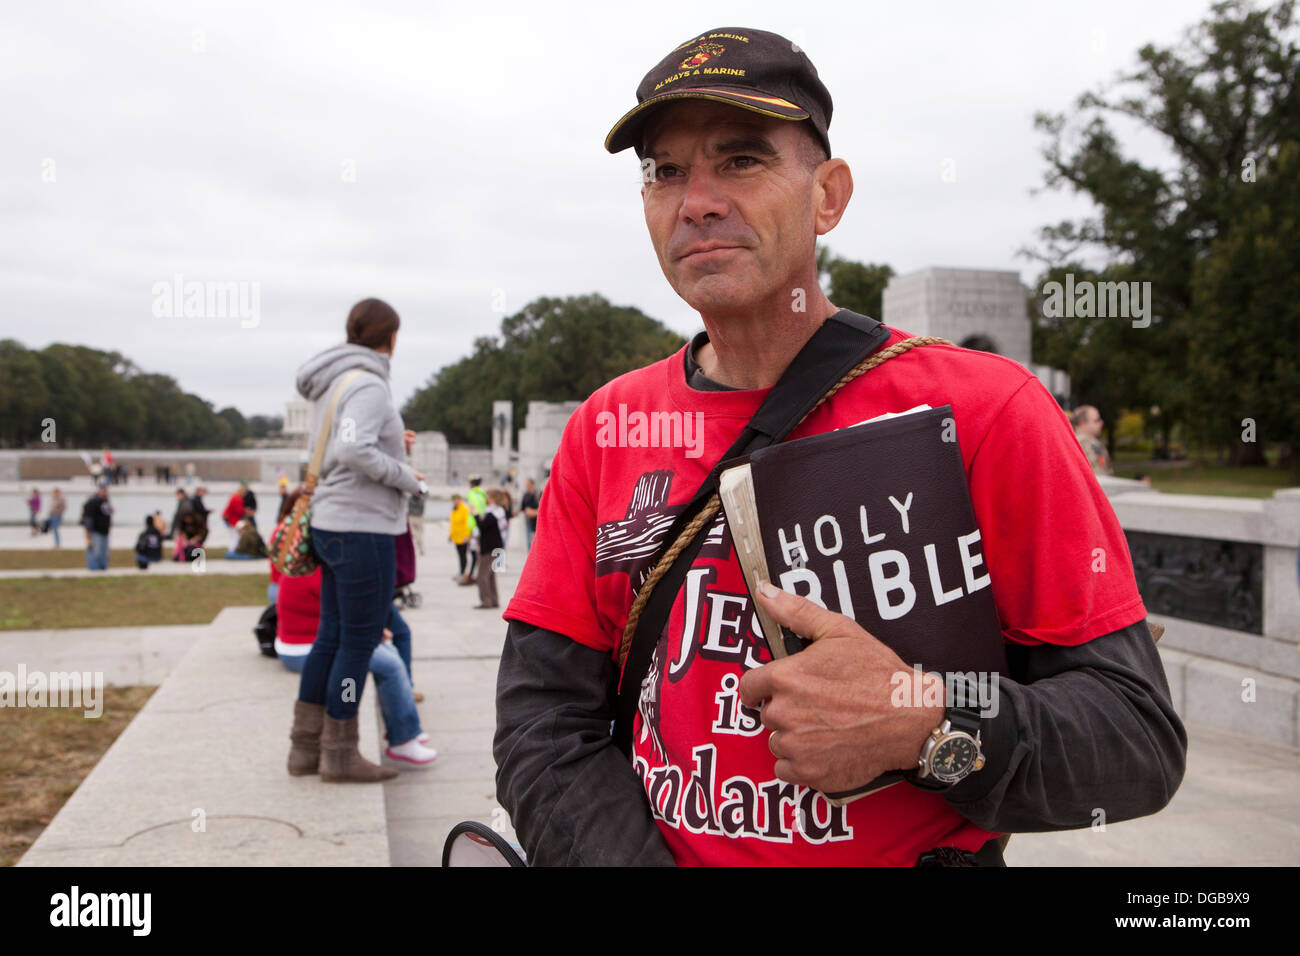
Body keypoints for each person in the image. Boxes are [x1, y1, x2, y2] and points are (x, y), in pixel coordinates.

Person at [493, 27, 1186, 866]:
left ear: (828, 195)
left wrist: (926, 721)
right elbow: (542, 720)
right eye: (665, 171)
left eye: (741, 161)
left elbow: (1136, 741)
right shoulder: (609, 427)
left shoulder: (987, 410)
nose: (697, 200)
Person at [286, 297, 429, 784]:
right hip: (362, 526)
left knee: (329, 638)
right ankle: (341, 750)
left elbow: (343, 442)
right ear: (390, 337)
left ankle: (305, 749)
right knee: (359, 642)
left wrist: (392, 445)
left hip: (332, 522)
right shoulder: (369, 383)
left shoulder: (333, 382)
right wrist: (408, 477)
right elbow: (352, 448)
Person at [271, 493, 436, 766]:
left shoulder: (314, 558)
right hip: (303, 644)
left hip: (299, 642)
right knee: (383, 662)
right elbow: (342, 619)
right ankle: (383, 741)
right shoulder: (335, 560)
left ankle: (306, 749)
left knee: (357, 649)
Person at [474, 488, 508, 610]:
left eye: (487, 496)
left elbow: (483, 526)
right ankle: (494, 600)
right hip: (497, 547)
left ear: (492, 498)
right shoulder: (499, 512)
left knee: (481, 576)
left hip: (490, 548)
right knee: (491, 575)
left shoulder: (493, 513)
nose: (486, 498)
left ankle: (486, 601)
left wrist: (475, 514)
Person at [458, 476, 487, 585]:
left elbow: (474, 511)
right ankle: (472, 574)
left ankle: (470, 576)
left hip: (474, 527)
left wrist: (471, 528)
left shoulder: (471, 494)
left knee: (473, 553)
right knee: (476, 553)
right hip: (479, 527)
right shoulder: (482, 494)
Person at [1071, 405, 1114, 476]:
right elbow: (1100, 474)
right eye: (1097, 420)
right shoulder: (1087, 442)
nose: (1101, 422)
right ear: (1083, 424)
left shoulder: (1072, 441)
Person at [80, 484, 112, 571]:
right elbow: (88, 517)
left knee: (103, 551)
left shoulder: (106, 501)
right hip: (95, 530)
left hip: (104, 530)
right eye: (102, 490)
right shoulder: (93, 502)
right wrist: (88, 530)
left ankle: (102, 567)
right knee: (95, 550)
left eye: (105, 490)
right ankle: (93, 568)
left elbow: (107, 514)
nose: (104, 492)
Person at [449, 494, 472, 580]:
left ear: (460, 500)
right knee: (460, 555)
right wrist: (450, 535)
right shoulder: (454, 510)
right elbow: (453, 524)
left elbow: (468, 523)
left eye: (457, 499)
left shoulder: (464, 509)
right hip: (456, 537)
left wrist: (467, 535)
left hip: (463, 537)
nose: (455, 501)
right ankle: (461, 572)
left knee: (463, 555)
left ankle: (463, 572)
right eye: (454, 500)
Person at [519, 478, 540, 553]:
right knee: (528, 539)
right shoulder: (525, 495)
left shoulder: (538, 493)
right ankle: (530, 554)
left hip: (538, 520)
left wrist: (535, 512)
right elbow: (522, 507)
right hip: (528, 520)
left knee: (537, 539)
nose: (526, 485)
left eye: (528, 484)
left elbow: (542, 506)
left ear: (532, 484)